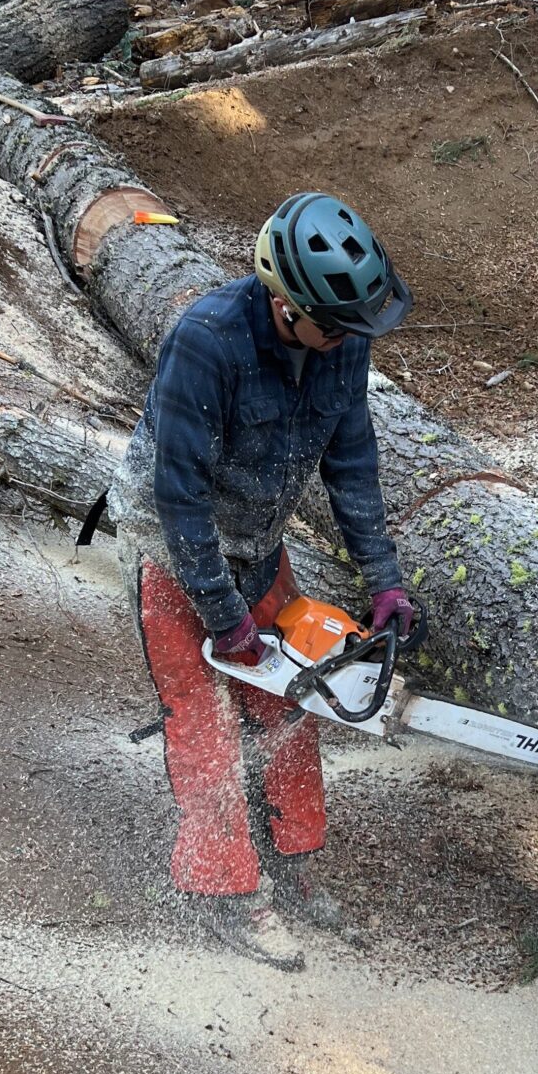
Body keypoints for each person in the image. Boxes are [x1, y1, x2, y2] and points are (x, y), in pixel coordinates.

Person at [113, 192, 416, 919]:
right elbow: (178, 497)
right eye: (334, 327)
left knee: (292, 698)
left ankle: (294, 864)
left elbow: (352, 463)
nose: (347, 340)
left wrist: (385, 580)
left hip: (256, 540)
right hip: (174, 545)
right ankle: (223, 894)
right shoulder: (207, 343)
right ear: (286, 307)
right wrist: (222, 614)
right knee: (204, 719)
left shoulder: (339, 339)